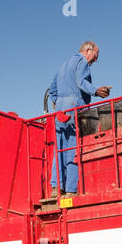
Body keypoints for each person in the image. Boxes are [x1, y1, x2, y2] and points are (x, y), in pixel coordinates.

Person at [46, 41, 110, 194]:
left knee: (60, 147)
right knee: (74, 147)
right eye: (96, 55)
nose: (96, 60)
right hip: (75, 106)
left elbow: (52, 90)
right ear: (88, 50)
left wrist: (59, 104)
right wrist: (96, 91)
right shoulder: (82, 62)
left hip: (60, 109)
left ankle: (56, 186)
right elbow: (81, 82)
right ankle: (71, 189)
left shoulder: (64, 65)